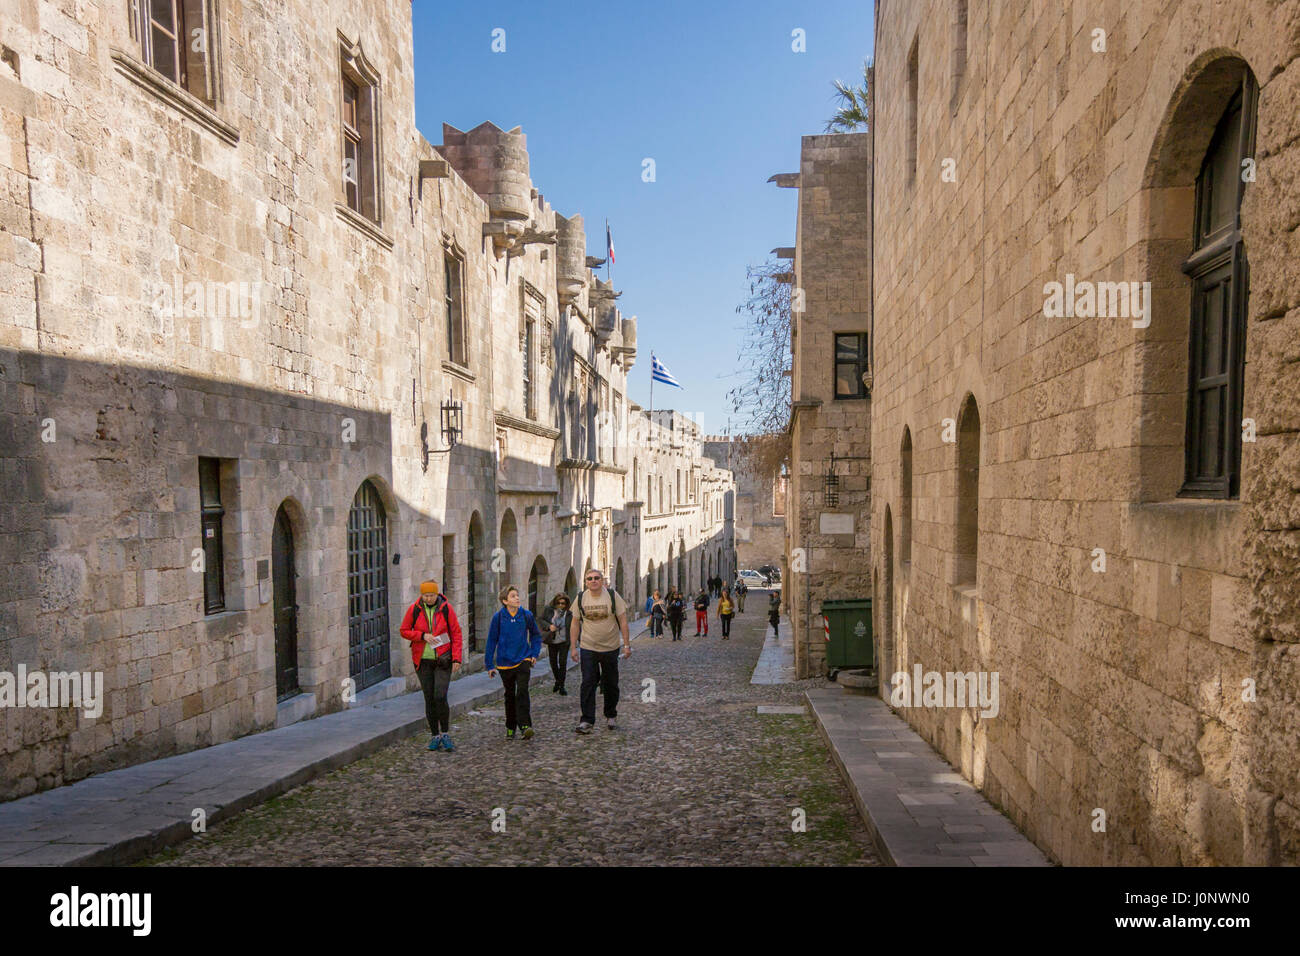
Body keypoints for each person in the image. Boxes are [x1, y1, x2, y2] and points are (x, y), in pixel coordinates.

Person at [399, 580, 463, 751]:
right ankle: (435, 735)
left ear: (437, 594)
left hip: (443, 660)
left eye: (431, 595)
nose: (428, 599)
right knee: (429, 698)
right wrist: (422, 636)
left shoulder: (446, 609)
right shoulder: (414, 609)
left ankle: (446, 733)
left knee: (440, 696)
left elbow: (456, 632)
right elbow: (404, 630)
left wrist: (457, 658)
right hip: (423, 661)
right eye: (425, 596)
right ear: (421, 595)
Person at [570, 568, 630, 733]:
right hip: (588, 646)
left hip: (610, 647)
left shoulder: (612, 596)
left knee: (610, 683)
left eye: (596, 578)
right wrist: (573, 647)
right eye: (589, 579)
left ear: (602, 580)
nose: (593, 581)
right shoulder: (581, 598)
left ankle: (611, 714)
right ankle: (587, 720)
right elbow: (575, 623)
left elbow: (623, 621)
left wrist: (626, 645)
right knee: (588, 682)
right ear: (586, 582)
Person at [485, 585, 543, 739]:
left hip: (523, 658)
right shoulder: (498, 618)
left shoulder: (526, 615)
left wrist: (534, 654)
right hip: (505, 662)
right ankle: (511, 727)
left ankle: (525, 725)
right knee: (509, 695)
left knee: (522, 691)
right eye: (512, 596)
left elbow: (536, 635)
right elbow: (491, 641)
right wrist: (490, 665)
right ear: (505, 601)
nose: (517, 598)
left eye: (517, 595)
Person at [539, 592, 572, 695]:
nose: (561, 605)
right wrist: (549, 626)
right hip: (552, 641)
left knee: (563, 663)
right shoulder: (549, 610)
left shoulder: (569, 613)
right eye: (559, 603)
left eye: (563, 603)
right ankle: (558, 680)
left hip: (564, 641)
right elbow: (541, 619)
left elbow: (573, 626)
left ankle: (562, 686)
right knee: (553, 662)